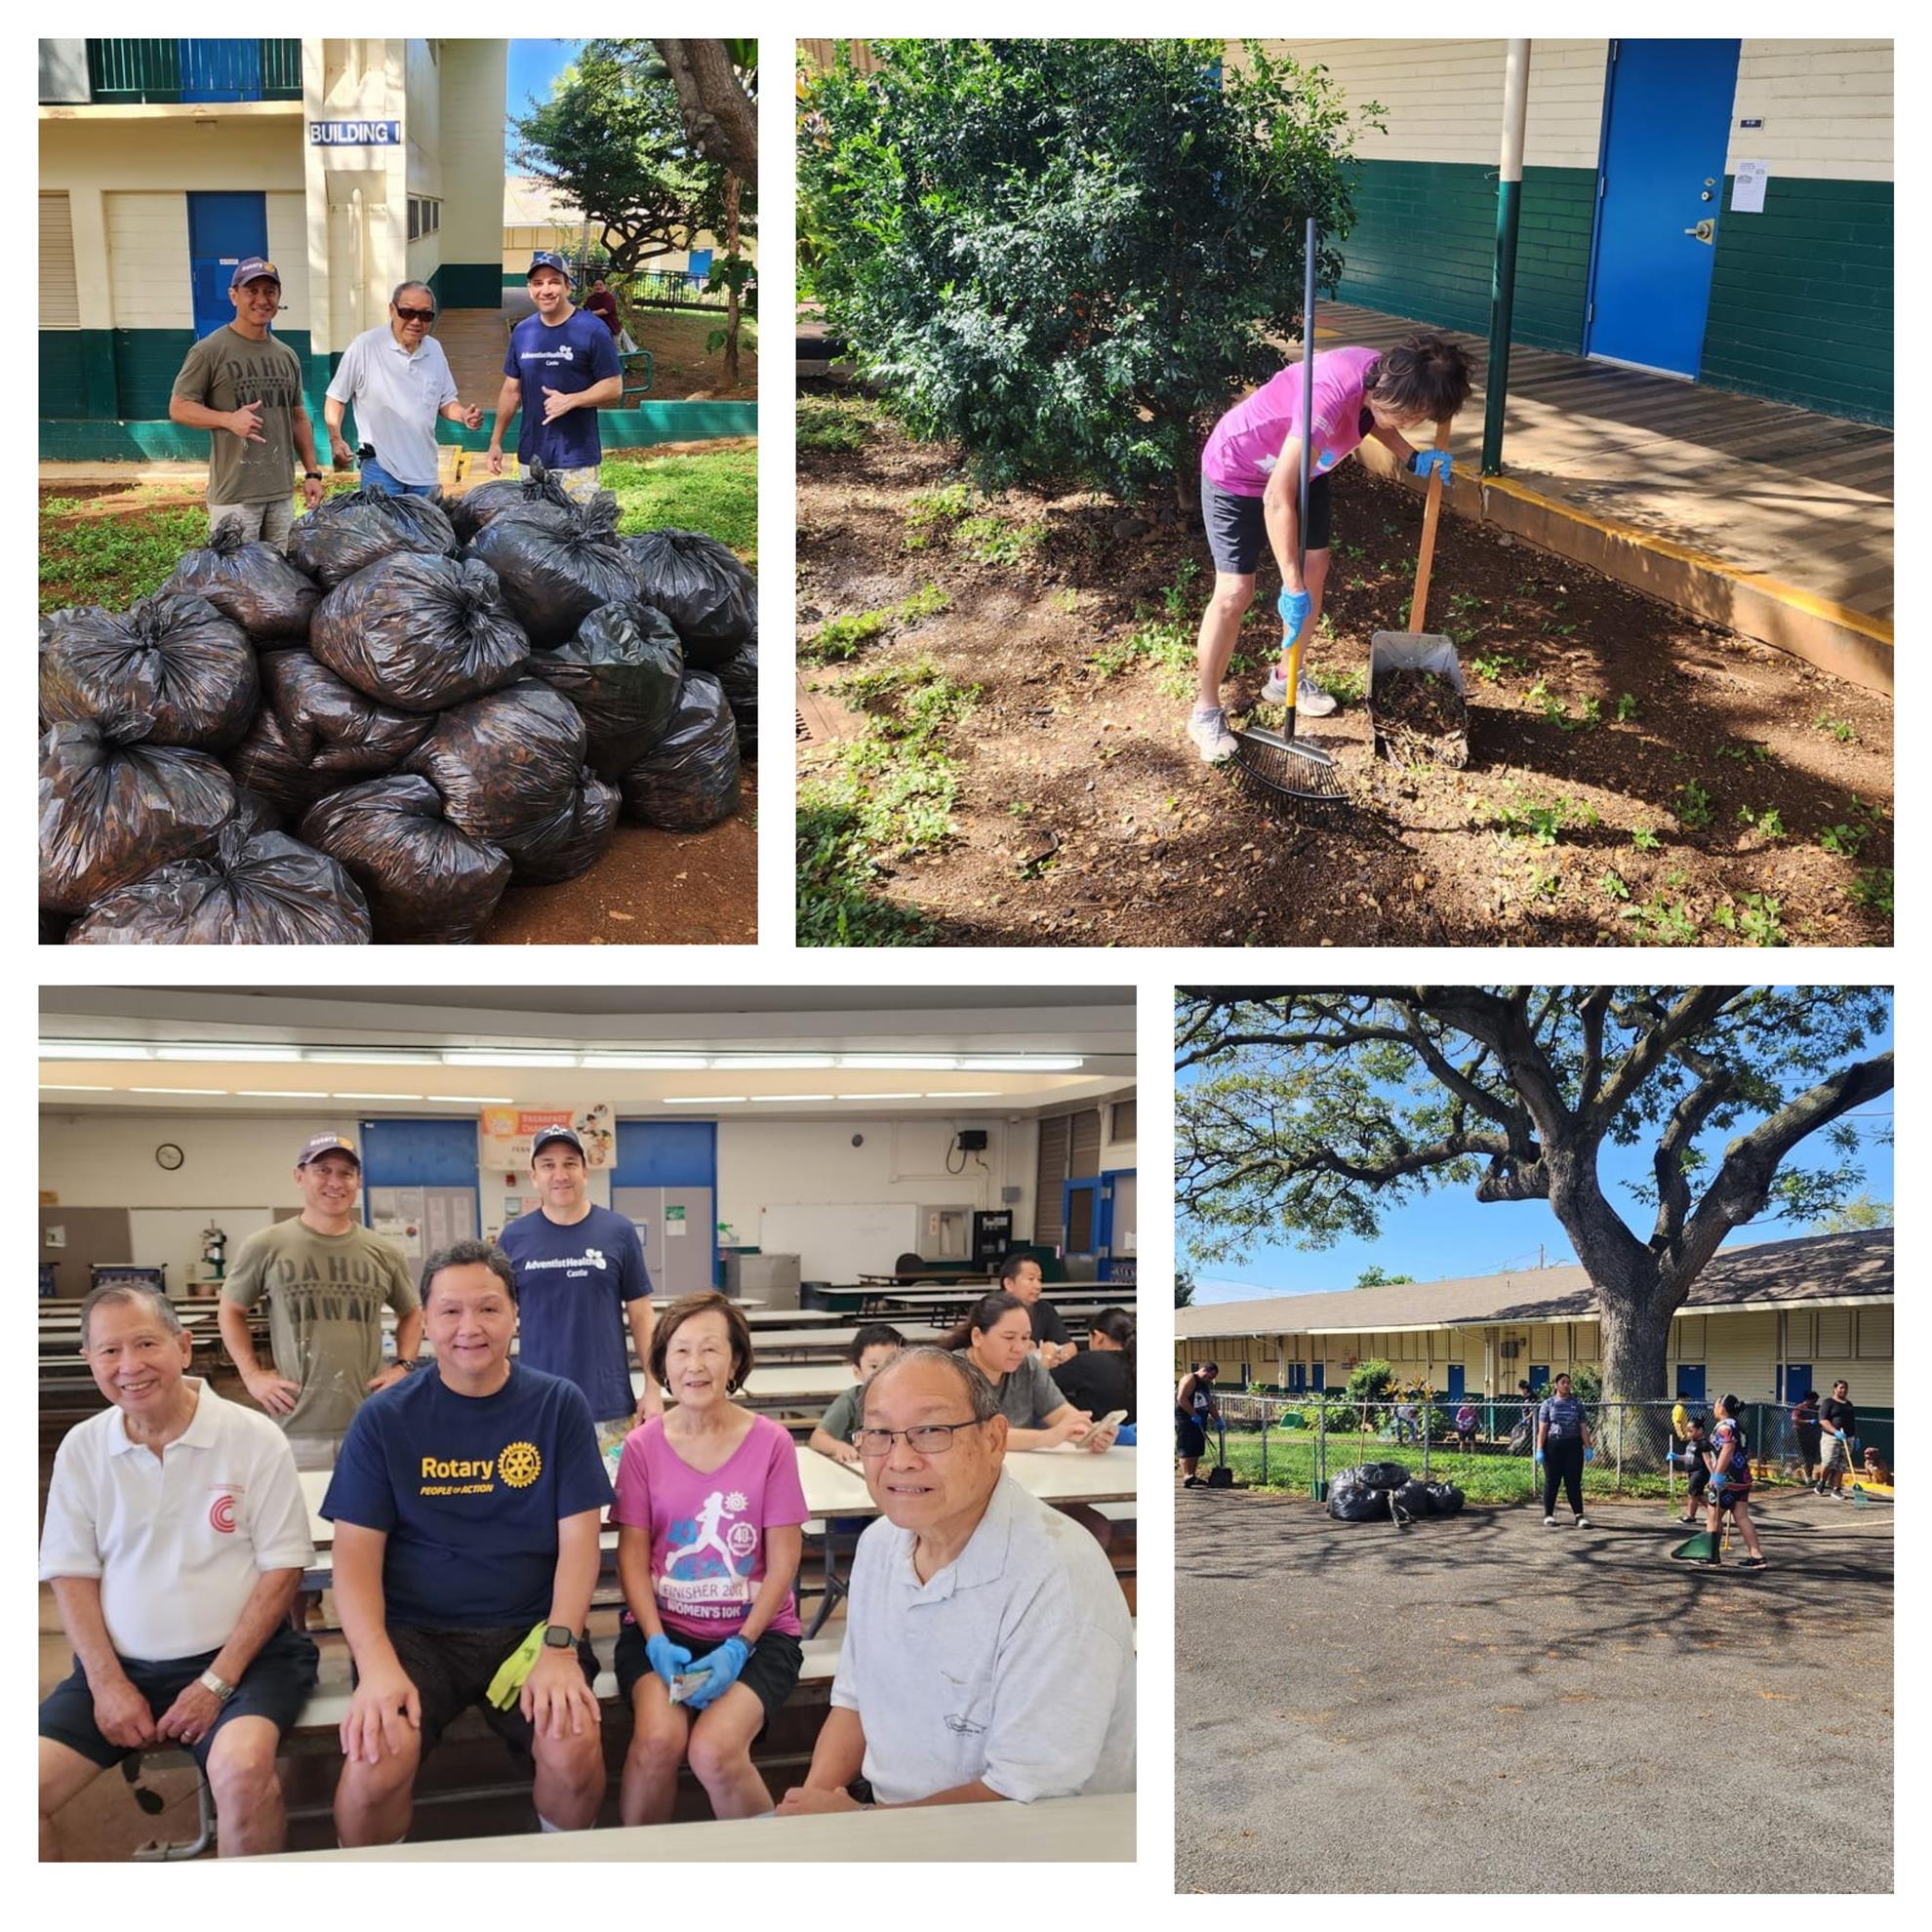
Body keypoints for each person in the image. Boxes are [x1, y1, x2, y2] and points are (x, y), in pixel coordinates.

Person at [323, 1240, 613, 1845]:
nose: (469, 1328)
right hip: (416, 1633)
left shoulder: (558, 1405)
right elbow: (352, 1561)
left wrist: (561, 1646)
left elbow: (581, 1544)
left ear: (515, 1314)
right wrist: (376, 1667)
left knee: (573, 1744)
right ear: (424, 1321)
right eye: (450, 1312)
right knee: (376, 1758)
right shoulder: (384, 1418)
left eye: (487, 1309)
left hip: (531, 1628)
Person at [776, 1347, 1134, 1815]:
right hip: (889, 1820)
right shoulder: (881, 1543)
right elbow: (854, 1698)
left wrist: (855, 1825)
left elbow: (1022, 1795)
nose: (899, 1459)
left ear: (994, 1439)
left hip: (1024, 1845)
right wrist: (817, 1803)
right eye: (879, 1433)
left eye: (930, 1431)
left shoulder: (1055, 1576)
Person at [39, 1283, 319, 1859]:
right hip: (120, 1668)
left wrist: (214, 1684)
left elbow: (282, 1569)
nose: (129, 1366)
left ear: (185, 1347)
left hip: (245, 1664)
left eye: (146, 1343)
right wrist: (108, 1683)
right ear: (88, 1361)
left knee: (242, 1774)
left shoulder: (252, 1438)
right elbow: (70, 1573)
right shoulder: (82, 1448)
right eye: (108, 1351)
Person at [1187, 329, 1474, 763]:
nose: (1415, 424)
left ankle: (1286, 677)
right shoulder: (1326, 394)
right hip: (1239, 472)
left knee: (1316, 565)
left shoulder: (1385, 376)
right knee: (1235, 593)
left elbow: (1374, 416)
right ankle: (1206, 710)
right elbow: (1276, 497)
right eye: (1415, 416)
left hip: (1309, 470)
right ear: (1397, 393)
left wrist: (1410, 455)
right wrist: (1290, 586)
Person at [611, 1293, 807, 1824]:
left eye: (710, 1350)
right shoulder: (641, 1447)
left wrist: (740, 1647)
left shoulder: (772, 1443)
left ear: (736, 1360)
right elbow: (631, 1554)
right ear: (663, 1366)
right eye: (680, 1351)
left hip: (756, 1638)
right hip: (664, 1634)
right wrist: (652, 1637)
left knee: (713, 1751)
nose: (695, 1365)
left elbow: (785, 1557)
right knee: (657, 1740)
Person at [219, 1133, 421, 1470]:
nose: (334, 1182)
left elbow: (413, 1312)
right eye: (323, 1170)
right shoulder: (266, 1245)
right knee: (299, 1521)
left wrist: (405, 1366)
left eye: (346, 1173)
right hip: (295, 1425)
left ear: (358, 1182)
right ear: (299, 1176)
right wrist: (251, 1375)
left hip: (368, 1420)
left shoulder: (384, 1252)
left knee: (368, 1522)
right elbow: (231, 1310)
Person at [497, 1124, 658, 1459]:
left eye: (570, 1163)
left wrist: (654, 1389)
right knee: (541, 1508)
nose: (560, 1174)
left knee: (616, 1507)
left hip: (608, 1405)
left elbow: (642, 1314)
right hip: (535, 1405)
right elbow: (499, 1318)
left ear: (585, 1172)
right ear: (534, 1175)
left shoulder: (618, 1231)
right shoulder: (514, 1239)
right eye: (548, 1165)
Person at [168, 257, 325, 543]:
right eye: (252, 291)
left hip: (280, 493)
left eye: (270, 292)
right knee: (237, 581)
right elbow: (179, 407)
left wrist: (312, 472)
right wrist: (228, 420)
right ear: (234, 296)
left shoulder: (286, 355)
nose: (262, 300)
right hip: (235, 496)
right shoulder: (209, 351)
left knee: (278, 576)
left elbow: (298, 417)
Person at [323, 281, 482, 497]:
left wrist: (463, 415)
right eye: (407, 312)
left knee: (424, 530)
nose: (416, 321)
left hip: (425, 472)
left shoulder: (434, 349)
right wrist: (335, 439)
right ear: (392, 310)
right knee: (383, 529)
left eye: (425, 315)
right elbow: (336, 396)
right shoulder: (366, 346)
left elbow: (445, 401)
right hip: (380, 469)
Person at [487, 251, 624, 502]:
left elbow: (614, 386)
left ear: (568, 287)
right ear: (530, 290)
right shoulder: (523, 332)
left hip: (576, 459)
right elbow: (511, 390)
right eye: (538, 283)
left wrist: (571, 400)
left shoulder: (592, 329)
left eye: (553, 282)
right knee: (537, 536)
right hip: (532, 458)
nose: (546, 290)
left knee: (577, 535)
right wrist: (496, 441)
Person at [943, 1293, 1114, 1452]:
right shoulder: (951, 1372)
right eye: (1009, 1337)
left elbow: (1059, 1411)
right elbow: (976, 1436)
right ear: (977, 1337)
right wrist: (1046, 1437)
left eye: (1025, 1338)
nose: (1019, 1348)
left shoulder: (1028, 1366)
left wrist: (1088, 1432)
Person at [810, 1324, 906, 1465]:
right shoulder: (851, 1401)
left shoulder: (912, 1401)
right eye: (874, 1366)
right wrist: (839, 1447)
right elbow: (817, 1438)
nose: (884, 1372)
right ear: (857, 1372)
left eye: (892, 1363)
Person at [1698, 1393, 1767, 1569]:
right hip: (1742, 1478)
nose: (1714, 1408)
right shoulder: (1739, 1426)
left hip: (1726, 1480)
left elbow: (1727, 1449)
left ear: (1722, 1408)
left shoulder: (1724, 1427)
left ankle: (1711, 1555)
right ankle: (1756, 1556)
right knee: (1742, 1517)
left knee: (1713, 1517)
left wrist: (1717, 1474)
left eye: (1715, 1405)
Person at [1053, 1308, 1135, 1428]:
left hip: (1094, 1439)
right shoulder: (1133, 1361)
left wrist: (1046, 1358)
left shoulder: (1086, 1361)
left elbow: (1041, 1387)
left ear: (1098, 1336)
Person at [1535, 1371, 1593, 1528]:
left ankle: (1579, 1516)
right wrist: (1540, 1449)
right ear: (1556, 1385)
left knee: (1573, 1482)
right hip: (1553, 1446)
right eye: (1563, 1382)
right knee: (1552, 1481)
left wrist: (1588, 1447)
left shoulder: (1577, 1404)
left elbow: (1583, 1427)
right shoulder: (1548, 1404)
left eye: (1568, 1382)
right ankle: (1548, 1515)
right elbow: (1543, 1429)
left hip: (1573, 1446)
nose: (1566, 1385)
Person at [1001, 1253, 1075, 1369]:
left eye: (1039, 1280)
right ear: (1009, 1284)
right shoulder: (993, 1310)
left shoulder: (1044, 1308)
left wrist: (1060, 1356)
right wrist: (1045, 1358)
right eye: (1031, 1279)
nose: (1038, 1286)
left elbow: (1069, 1346)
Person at [1176, 1361, 1221, 1486]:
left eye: (1212, 1378)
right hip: (1186, 1419)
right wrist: (1194, 1414)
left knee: (1197, 1447)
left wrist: (1218, 1419)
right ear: (1204, 1370)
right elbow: (1181, 1398)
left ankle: (1192, 1475)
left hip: (1200, 1419)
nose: (1210, 1379)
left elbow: (1209, 1403)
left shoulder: (1204, 1384)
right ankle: (1186, 1475)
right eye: (1209, 1376)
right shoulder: (1190, 1379)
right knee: (1186, 1447)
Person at [1819, 1380, 1859, 1499]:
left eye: (1846, 1388)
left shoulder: (1849, 1404)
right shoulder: (1828, 1402)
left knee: (1841, 1465)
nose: (1844, 1390)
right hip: (1831, 1437)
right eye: (1841, 1388)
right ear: (1835, 1389)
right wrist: (1835, 1431)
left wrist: (1856, 1437)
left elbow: (1853, 1421)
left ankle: (1836, 1489)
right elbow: (1823, 1420)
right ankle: (1821, 1481)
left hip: (1848, 1437)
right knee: (1829, 1462)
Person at [1672, 1414, 1711, 1523]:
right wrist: (1676, 1457)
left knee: (1692, 1494)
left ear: (1700, 1430)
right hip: (1692, 1472)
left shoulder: (1703, 1443)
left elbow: (1708, 1459)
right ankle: (1714, 1513)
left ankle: (1690, 1516)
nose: (1689, 1433)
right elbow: (1688, 1457)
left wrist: (1713, 1473)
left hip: (1700, 1472)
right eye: (1688, 1431)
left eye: (1691, 1431)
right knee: (1698, 1495)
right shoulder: (1692, 1442)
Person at [1791, 1388, 1823, 1489]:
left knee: (1810, 1458)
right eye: (1814, 1401)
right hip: (1800, 1435)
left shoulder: (1814, 1409)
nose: (1815, 1403)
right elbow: (1795, 1419)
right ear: (1809, 1399)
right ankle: (1790, 1472)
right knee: (1803, 1458)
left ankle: (1809, 1478)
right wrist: (1808, 1421)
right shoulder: (1800, 1407)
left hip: (1811, 1436)